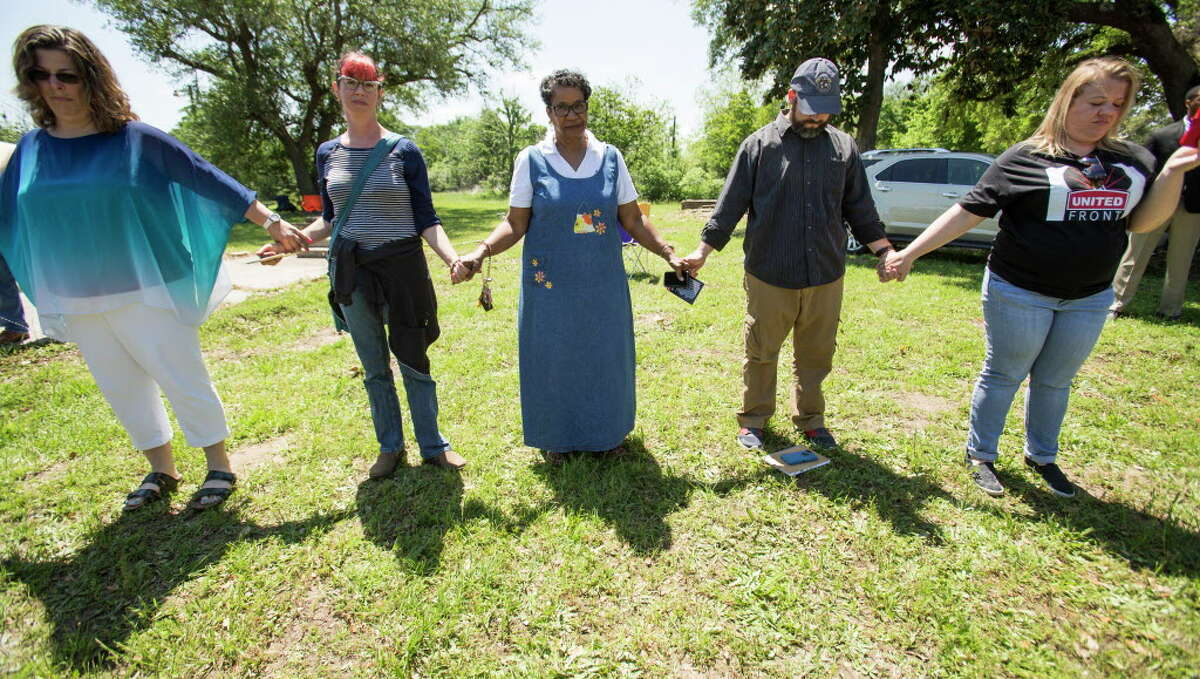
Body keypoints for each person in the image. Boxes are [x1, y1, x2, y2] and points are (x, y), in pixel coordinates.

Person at [0, 25, 310, 511]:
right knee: (118, 385)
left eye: (67, 75)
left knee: (180, 373)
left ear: (91, 77)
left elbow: (206, 177)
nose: (54, 85)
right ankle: (161, 468)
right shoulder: (31, 150)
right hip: (76, 291)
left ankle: (218, 464)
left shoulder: (135, 139)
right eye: (41, 75)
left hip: (150, 283)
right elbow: (7, 215)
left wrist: (272, 222)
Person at [882, 58, 1200, 498]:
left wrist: (1172, 173)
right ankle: (982, 454)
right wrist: (909, 254)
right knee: (1005, 373)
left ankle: (1043, 457)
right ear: (1068, 99)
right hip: (1019, 290)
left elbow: (1143, 222)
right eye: (1096, 101)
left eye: (1117, 103)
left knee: (1055, 380)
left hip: (1089, 296)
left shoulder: (1132, 161)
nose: (1106, 112)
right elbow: (969, 211)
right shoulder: (1026, 157)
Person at [457, 69, 685, 463]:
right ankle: (556, 440)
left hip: (602, 285)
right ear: (548, 112)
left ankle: (607, 435)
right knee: (553, 357)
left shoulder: (610, 158)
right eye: (561, 107)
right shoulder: (531, 161)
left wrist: (668, 253)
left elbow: (633, 219)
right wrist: (480, 252)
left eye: (578, 105)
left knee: (604, 355)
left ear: (587, 107)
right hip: (549, 287)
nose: (571, 115)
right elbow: (515, 223)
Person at [256, 52, 467, 476]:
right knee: (374, 367)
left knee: (413, 359)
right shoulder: (327, 152)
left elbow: (426, 218)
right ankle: (390, 448)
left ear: (379, 93)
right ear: (336, 89)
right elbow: (330, 219)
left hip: (403, 268)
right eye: (351, 83)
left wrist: (452, 258)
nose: (359, 91)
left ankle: (433, 445)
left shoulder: (404, 151)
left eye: (368, 84)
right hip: (352, 271)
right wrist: (291, 242)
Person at [680, 58, 897, 452]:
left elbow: (860, 210)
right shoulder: (759, 145)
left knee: (816, 355)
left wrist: (883, 250)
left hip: (826, 273)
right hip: (770, 272)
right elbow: (729, 207)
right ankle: (754, 419)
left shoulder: (844, 147)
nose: (818, 118)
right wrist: (703, 251)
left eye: (826, 110)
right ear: (792, 97)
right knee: (761, 351)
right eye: (811, 109)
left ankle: (812, 420)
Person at [1109, 84, 1200, 321]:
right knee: (1135, 254)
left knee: (1181, 259)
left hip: (1192, 206)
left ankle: (1171, 310)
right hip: (1156, 203)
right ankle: (1116, 304)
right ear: (1188, 103)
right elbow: (1142, 169)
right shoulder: (1163, 135)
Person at [0, 141, 28, 345]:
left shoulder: (9, 151)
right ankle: (15, 326)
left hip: (18, 216)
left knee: (35, 269)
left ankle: (64, 321)